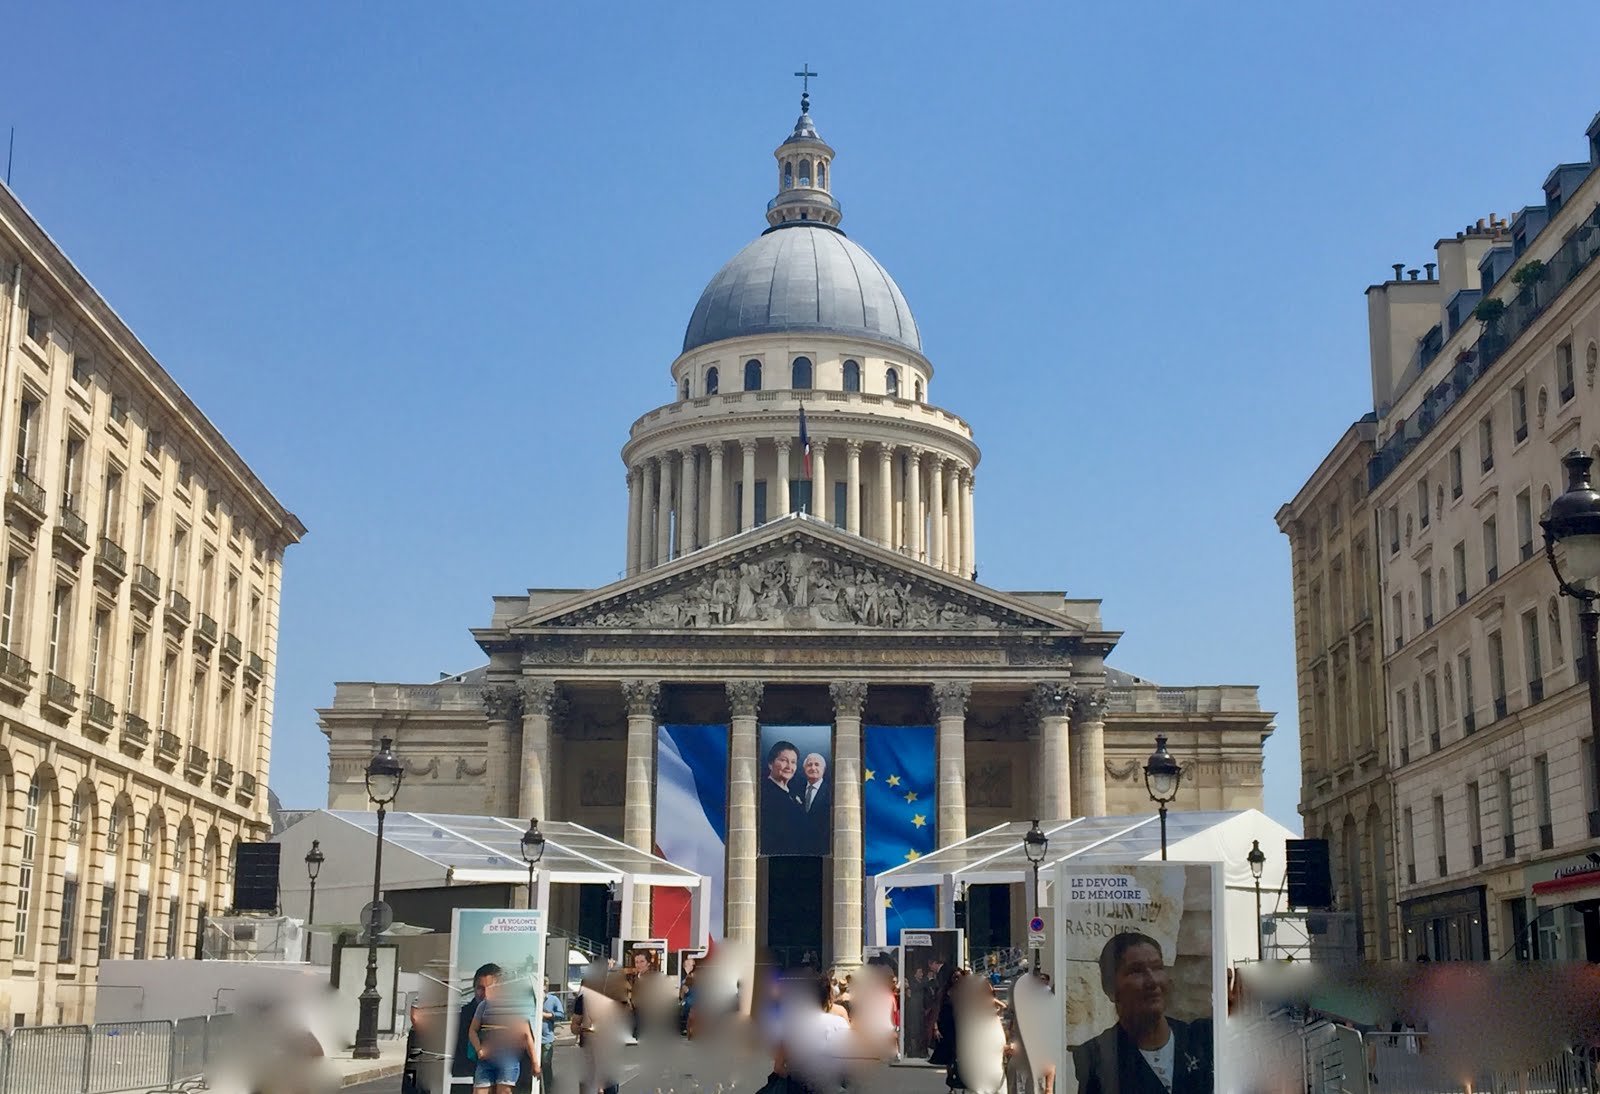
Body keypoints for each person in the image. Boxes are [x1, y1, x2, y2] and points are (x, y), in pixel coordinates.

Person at [1072, 933, 1213, 1094]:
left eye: (1157, 968)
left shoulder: (1202, 1039)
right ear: (1110, 987)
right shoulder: (1097, 1058)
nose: (1152, 981)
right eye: (1136, 971)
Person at [469, 973, 541, 1094]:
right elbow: (472, 1030)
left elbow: (526, 1035)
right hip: (486, 1058)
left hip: (508, 1057)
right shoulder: (484, 1005)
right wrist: (478, 1049)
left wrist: (535, 1063)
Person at [454, 964, 504, 1080]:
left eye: (491, 988)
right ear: (474, 988)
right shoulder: (460, 1019)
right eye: (481, 988)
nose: (486, 994)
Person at [760, 739, 807, 855]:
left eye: (793, 762)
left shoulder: (794, 795)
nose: (789, 766)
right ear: (770, 764)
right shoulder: (764, 793)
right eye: (783, 760)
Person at [798, 752, 831, 854]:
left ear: (824, 769)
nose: (813, 768)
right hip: (796, 847)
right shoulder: (796, 789)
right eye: (809, 765)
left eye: (817, 765)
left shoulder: (831, 792)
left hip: (822, 848)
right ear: (804, 769)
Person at [539, 978, 565, 1093]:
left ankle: (549, 1090)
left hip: (546, 1039)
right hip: (533, 1039)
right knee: (534, 1067)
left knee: (546, 1065)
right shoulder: (534, 998)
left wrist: (547, 1015)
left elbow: (561, 1014)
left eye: (544, 985)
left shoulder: (553, 999)